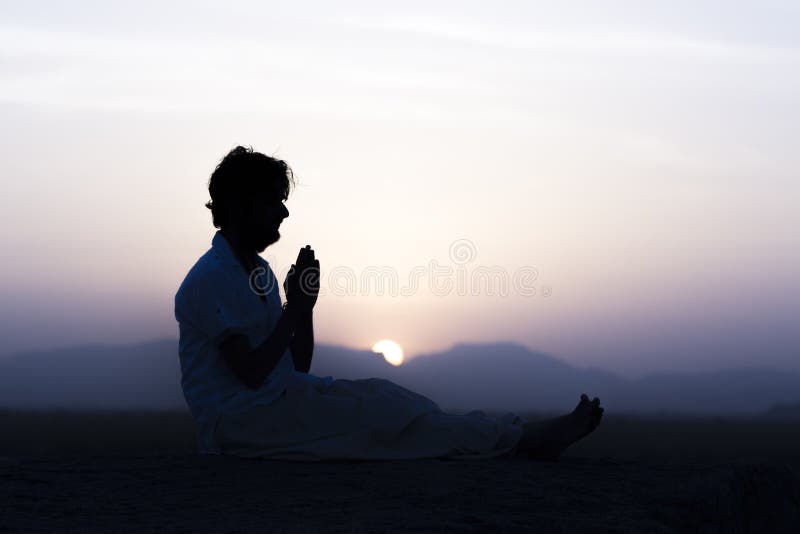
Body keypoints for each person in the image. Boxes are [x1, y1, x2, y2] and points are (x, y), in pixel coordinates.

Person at [174, 146, 603, 461]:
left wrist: (303, 308)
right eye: (272, 200)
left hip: (278, 404)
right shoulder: (213, 278)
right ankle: (526, 441)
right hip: (240, 426)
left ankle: (514, 434)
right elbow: (249, 374)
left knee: (391, 400)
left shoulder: (259, 272)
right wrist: (292, 310)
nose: (283, 212)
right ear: (236, 204)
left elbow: (293, 366)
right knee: (387, 420)